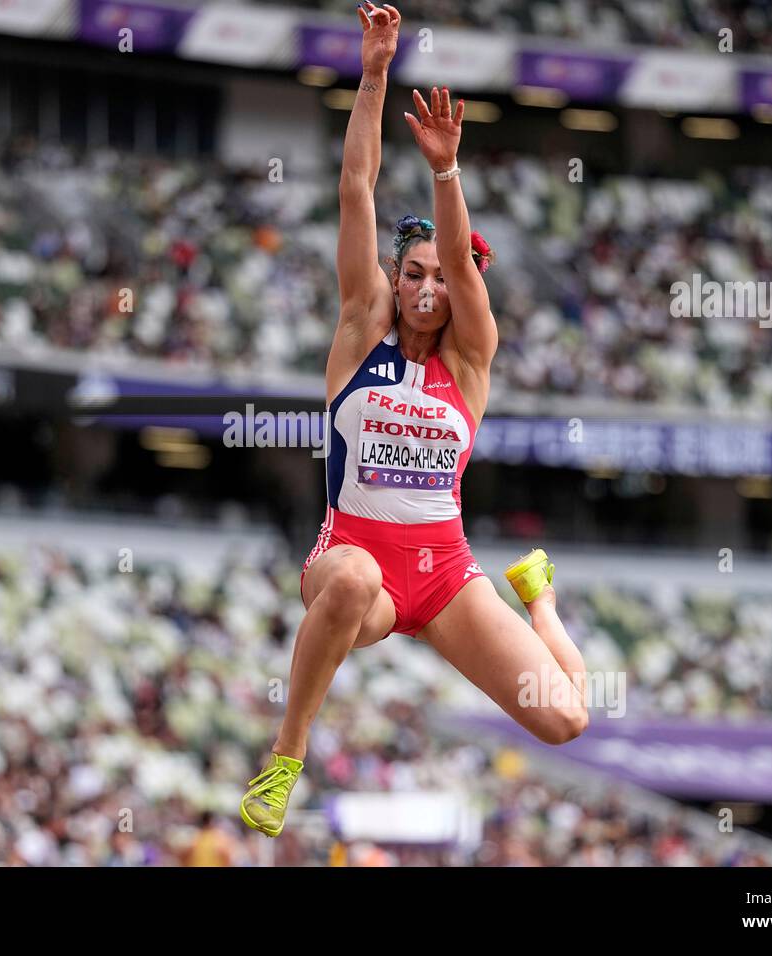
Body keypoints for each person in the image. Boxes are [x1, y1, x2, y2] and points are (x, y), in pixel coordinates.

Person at [240, 2, 589, 838]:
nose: (427, 285)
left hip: (446, 575)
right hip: (354, 556)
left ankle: (538, 600)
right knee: (357, 581)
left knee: (566, 715)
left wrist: (447, 173)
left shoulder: (470, 362)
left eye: (443, 273)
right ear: (395, 280)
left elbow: (469, 282)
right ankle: (287, 755)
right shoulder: (361, 329)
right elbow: (355, 187)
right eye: (414, 271)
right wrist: (371, 75)